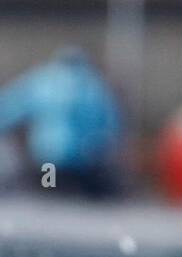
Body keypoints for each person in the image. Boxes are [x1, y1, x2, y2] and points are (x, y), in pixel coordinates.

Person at [0, 47, 121, 196]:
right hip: (84, 163)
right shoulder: (95, 85)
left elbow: (9, 109)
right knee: (78, 201)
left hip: (48, 158)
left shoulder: (42, 81)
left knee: (49, 195)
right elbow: (112, 123)